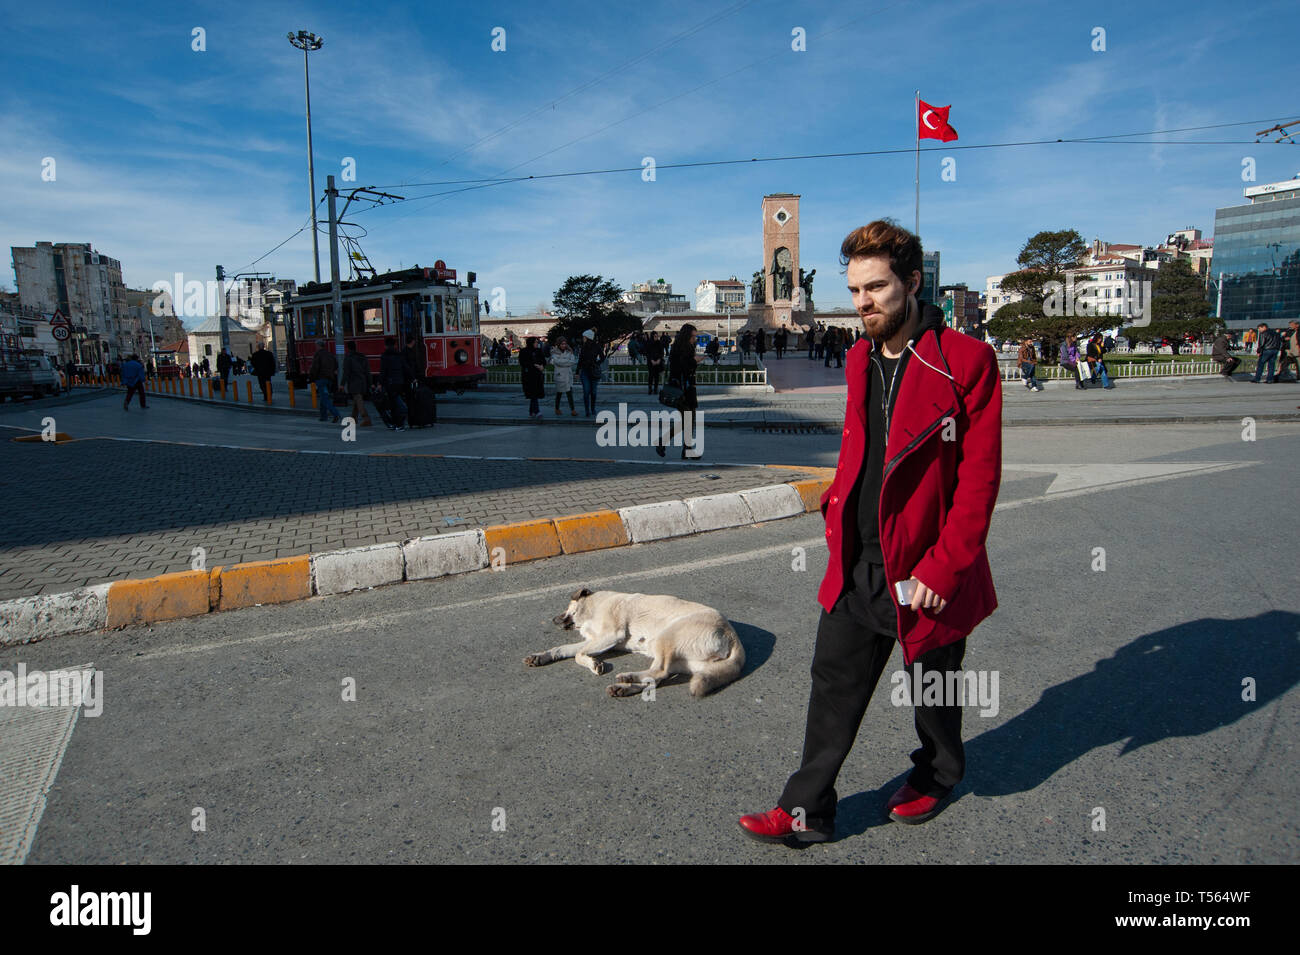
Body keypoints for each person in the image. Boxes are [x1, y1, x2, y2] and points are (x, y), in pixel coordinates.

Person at [739, 219, 1002, 845]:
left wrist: (944, 568)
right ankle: (806, 809)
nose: (864, 303)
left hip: (926, 564)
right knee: (833, 681)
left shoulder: (966, 361)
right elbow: (862, 446)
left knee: (931, 684)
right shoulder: (858, 356)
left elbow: (979, 479)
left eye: (877, 288)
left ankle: (939, 773)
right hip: (857, 555)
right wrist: (836, 502)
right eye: (856, 289)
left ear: (912, 282)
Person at [657, 323, 701, 459]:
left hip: (687, 388)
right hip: (683, 390)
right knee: (687, 420)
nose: (695, 339)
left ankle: (686, 449)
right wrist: (695, 361)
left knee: (689, 420)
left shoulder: (684, 347)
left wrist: (694, 361)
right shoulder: (681, 349)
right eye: (693, 336)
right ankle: (663, 443)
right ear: (687, 336)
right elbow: (682, 368)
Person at [379, 336, 409, 430]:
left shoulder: (384, 356)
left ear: (386, 345)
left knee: (394, 404)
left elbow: (383, 371)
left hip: (390, 382)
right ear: (395, 345)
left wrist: (380, 383)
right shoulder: (399, 355)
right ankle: (398, 422)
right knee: (397, 401)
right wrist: (412, 378)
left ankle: (399, 424)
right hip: (400, 381)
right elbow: (406, 368)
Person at [309, 340, 341, 423]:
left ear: (318, 346)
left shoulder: (318, 355)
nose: (315, 347)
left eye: (316, 346)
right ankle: (323, 416)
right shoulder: (330, 354)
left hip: (321, 378)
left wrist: (311, 377)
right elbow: (336, 365)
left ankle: (335, 413)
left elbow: (315, 368)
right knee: (324, 397)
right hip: (329, 379)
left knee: (324, 398)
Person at [342, 340, 372, 427]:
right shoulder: (362, 357)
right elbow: (367, 371)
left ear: (347, 348)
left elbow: (346, 372)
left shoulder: (348, 358)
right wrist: (370, 383)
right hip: (363, 382)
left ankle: (366, 419)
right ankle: (353, 418)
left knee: (358, 400)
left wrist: (342, 384)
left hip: (354, 382)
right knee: (356, 401)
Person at [551, 336, 578, 416]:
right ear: (559, 344)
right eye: (562, 344)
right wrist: (567, 361)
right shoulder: (554, 352)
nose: (564, 345)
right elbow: (558, 362)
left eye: (565, 344)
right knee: (559, 393)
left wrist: (565, 362)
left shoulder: (569, 352)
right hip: (560, 376)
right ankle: (557, 408)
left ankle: (573, 410)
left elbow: (573, 361)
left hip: (568, 375)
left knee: (569, 393)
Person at [578, 329, 603, 417]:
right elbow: (580, 360)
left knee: (593, 392)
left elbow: (603, 357)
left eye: (584, 337)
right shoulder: (583, 347)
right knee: (586, 391)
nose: (583, 338)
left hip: (593, 371)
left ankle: (592, 408)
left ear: (588, 337)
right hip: (585, 371)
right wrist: (577, 371)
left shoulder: (597, 346)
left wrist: (597, 363)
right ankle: (587, 410)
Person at [520, 336, 546, 418]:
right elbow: (523, 362)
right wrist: (534, 365)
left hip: (537, 375)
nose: (537, 343)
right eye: (535, 342)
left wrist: (542, 366)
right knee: (533, 393)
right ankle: (537, 411)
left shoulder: (538, 351)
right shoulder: (524, 351)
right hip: (528, 376)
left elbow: (543, 360)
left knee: (534, 394)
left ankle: (532, 411)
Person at [645, 330, 665, 395]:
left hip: (658, 362)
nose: (656, 337)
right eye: (655, 336)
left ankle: (655, 389)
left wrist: (659, 359)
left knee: (656, 376)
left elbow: (661, 352)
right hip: (651, 362)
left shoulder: (659, 343)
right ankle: (650, 388)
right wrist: (652, 360)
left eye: (657, 336)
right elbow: (647, 353)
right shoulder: (648, 343)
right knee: (651, 376)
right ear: (652, 336)